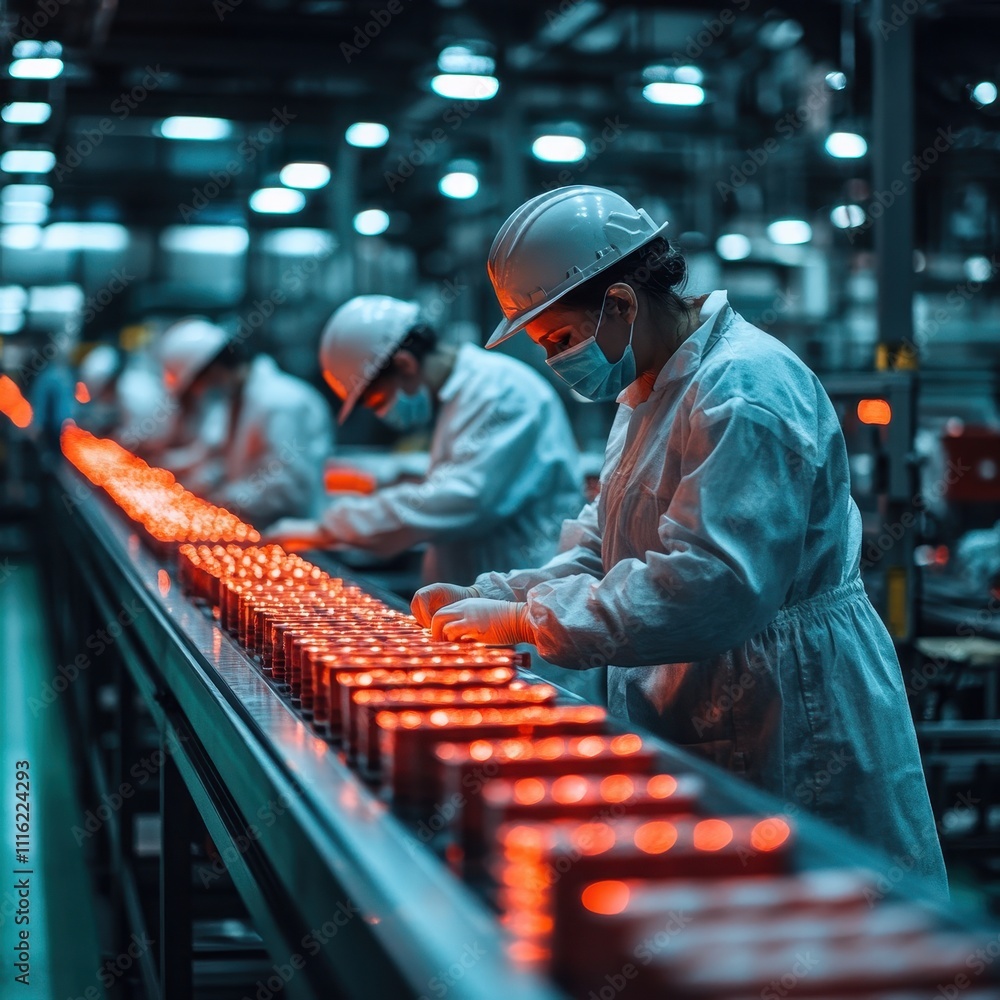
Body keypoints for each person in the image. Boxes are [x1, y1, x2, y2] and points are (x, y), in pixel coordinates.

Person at [414, 185, 948, 896]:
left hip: (791, 700)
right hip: (705, 687)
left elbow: (715, 584)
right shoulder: (648, 391)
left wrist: (529, 620)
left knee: (826, 925)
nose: (557, 362)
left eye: (561, 341)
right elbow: (603, 545)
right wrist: (501, 594)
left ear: (625, 305)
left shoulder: (744, 389)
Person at [264, 295, 582, 585]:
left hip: (520, 601)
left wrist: (328, 528)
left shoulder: (501, 393)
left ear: (405, 364)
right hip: (478, 599)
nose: (380, 414)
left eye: (377, 401)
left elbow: (461, 499)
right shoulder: (461, 398)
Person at [156, 317, 333, 529]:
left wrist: (225, 497)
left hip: (289, 533)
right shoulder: (232, 400)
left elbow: (288, 486)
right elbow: (224, 458)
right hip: (252, 528)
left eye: (199, 383)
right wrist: (204, 483)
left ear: (213, 368)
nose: (200, 392)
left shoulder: (282, 402)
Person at [76, 343, 174, 455]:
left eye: (102, 393)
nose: (103, 399)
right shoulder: (132, 380)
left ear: (108, 384)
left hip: (158, 451)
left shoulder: (132, 395)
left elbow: (135, 441)